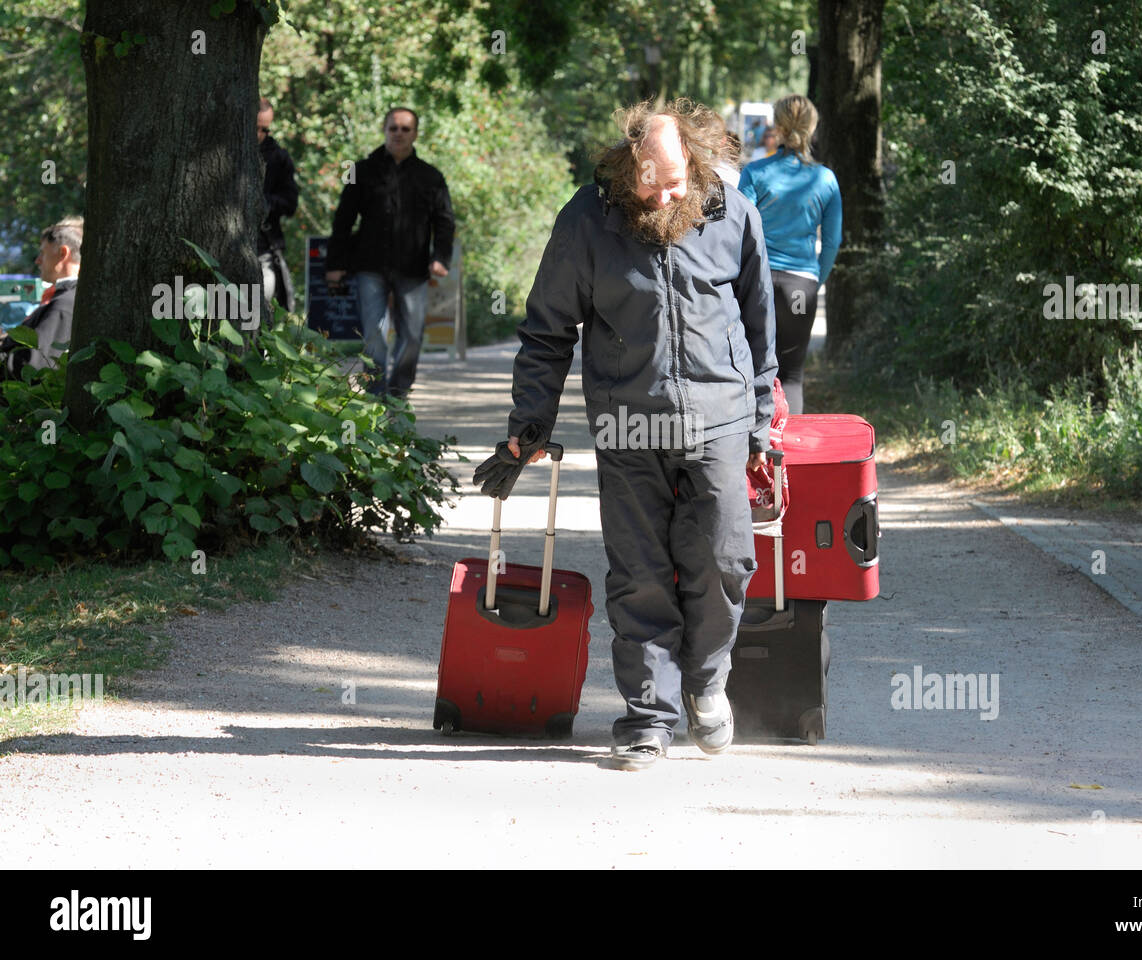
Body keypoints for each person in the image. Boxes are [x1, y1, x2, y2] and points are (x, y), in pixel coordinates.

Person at [475, 99, 777, 770]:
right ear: (626, 166)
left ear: (693, 163)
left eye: (675, 181)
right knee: (640, 574)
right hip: (627, 421)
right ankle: (647, 718)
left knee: (725, 560)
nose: (663, 195)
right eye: (649, 181)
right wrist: (529, 426)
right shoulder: (587, 221)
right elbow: (547, 330)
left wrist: (761, 419)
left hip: (718, 418)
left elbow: (760, 322)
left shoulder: (731, 211)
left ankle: (706, 683)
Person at [325, 107, 455, 399]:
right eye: (393, 128)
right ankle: (375, 394)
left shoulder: (431, 176)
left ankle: (398, 392)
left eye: (405, 129)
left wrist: (440, 258)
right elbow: (343, 220)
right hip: (369, 265)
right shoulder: (360, 171)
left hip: (413, 267)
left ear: (415, 134)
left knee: (412, 336)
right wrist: (335, 264)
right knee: (373, 335)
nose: (399, 134)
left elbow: (445, 222)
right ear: (384, 130)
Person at [738, 94, 842, 415]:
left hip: (759, 281)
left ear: (777, 126)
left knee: (752, 370)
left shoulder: (755, 173)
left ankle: (751, 442)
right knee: (792, 376)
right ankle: (789, 445)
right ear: (812, 128)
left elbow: (737, 232)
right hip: (801, 285)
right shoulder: (825, 179)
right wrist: (814, 281)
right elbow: (832, 242)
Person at [1, 217, 81, 379]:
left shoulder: (65, 303)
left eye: (43, 253)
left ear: (63, 253)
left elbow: (33, 367)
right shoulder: (66, 297)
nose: (38, 260)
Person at [256, 97, 300, 313]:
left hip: (264, 247)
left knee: (263, 309)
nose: (259, 134)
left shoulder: (278, 158)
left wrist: (264, 202)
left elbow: (290, 203)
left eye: (265, 129)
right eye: (255, 127)